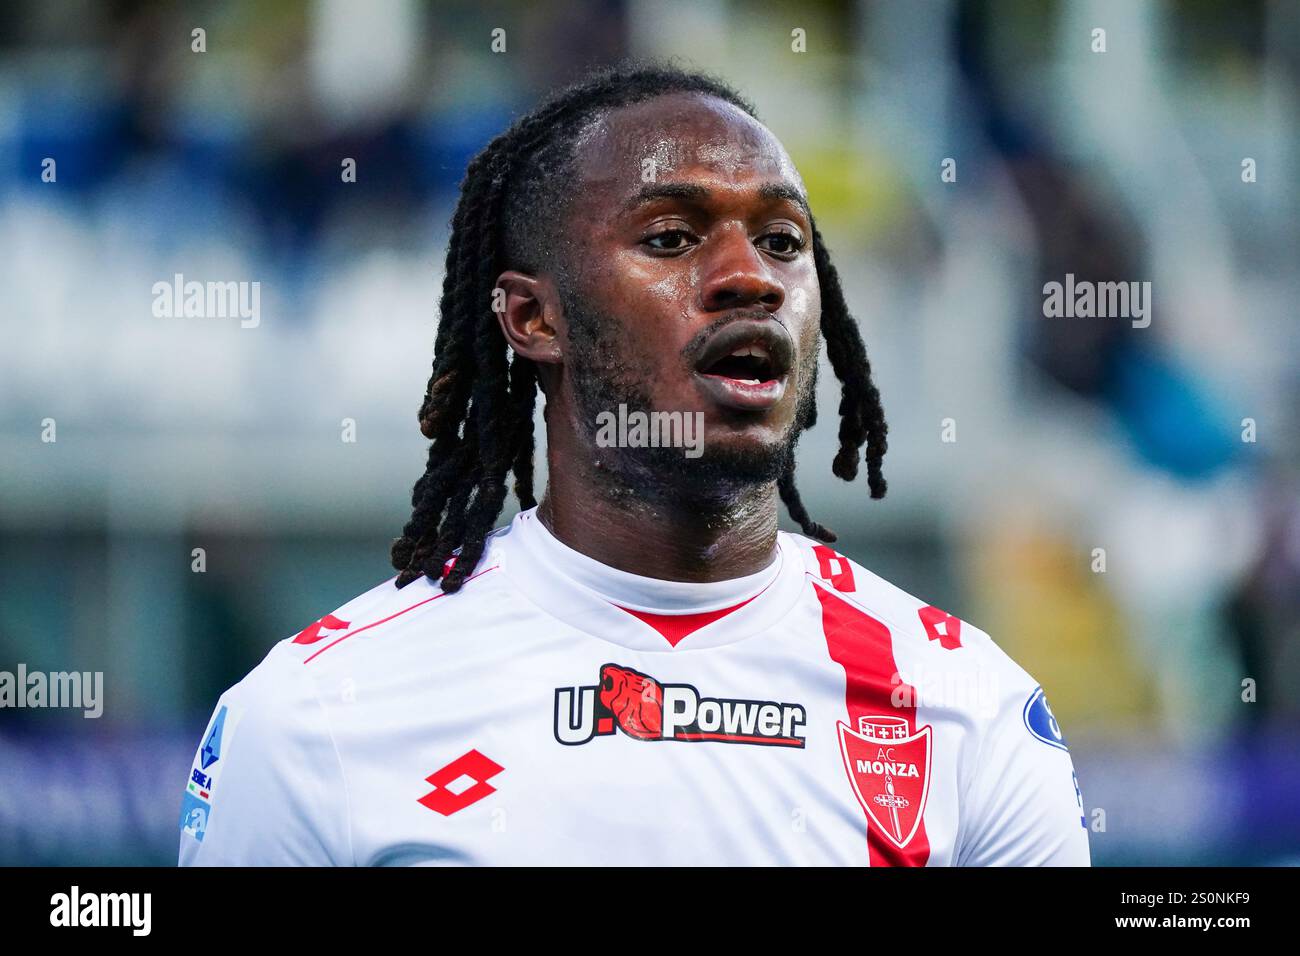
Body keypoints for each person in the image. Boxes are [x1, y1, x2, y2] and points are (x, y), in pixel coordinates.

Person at [178, 61, 1089, 866]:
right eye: (671, 239)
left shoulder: (967, 708)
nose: (752, 276)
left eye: (782, 240)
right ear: (533, 320)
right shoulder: (316, 721)